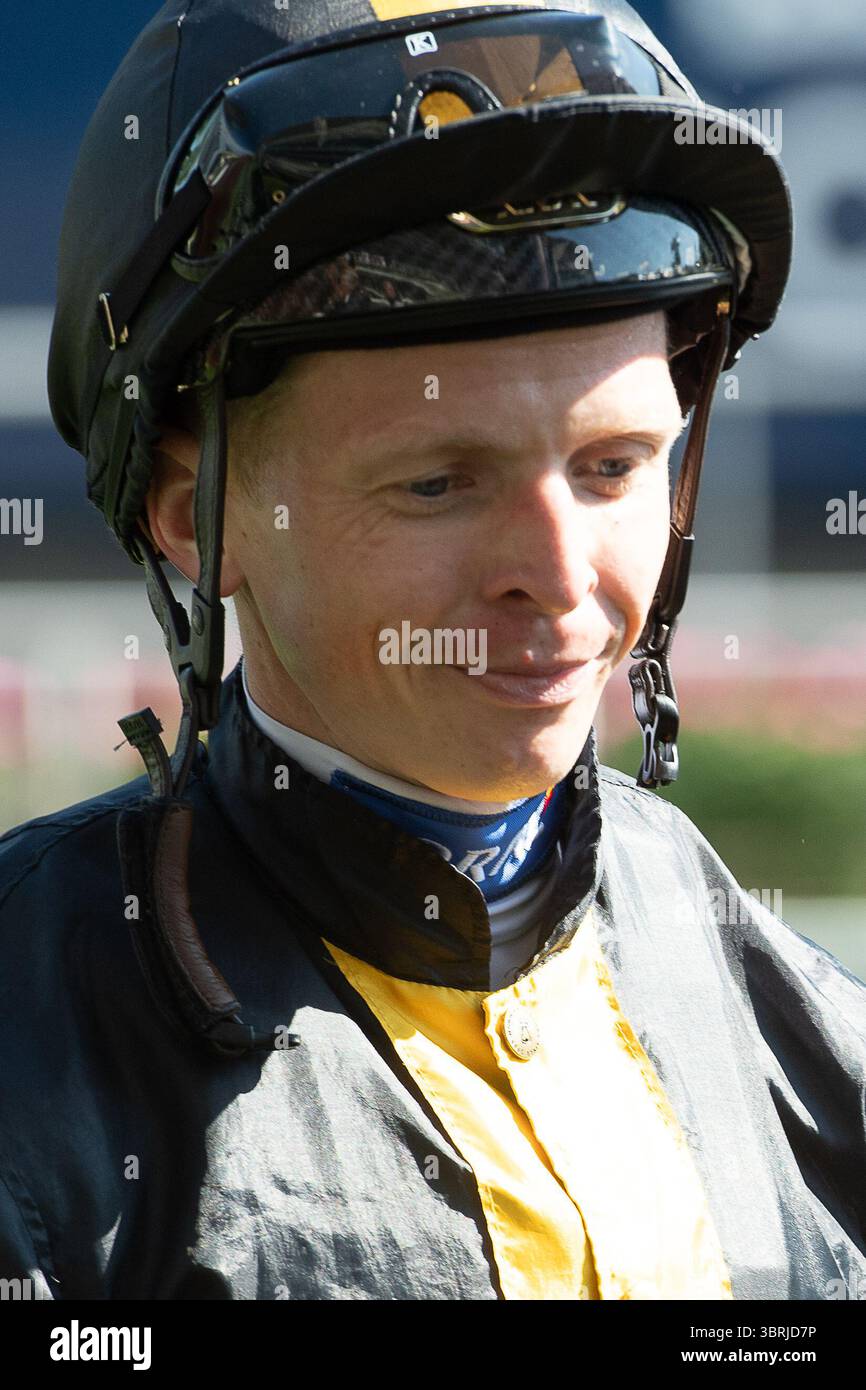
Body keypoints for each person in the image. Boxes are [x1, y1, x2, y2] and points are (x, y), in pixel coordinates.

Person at [1, 0, 863, 1301]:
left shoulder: (796, 1014)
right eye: (437, 483)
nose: (560, 578)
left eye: (613, 465)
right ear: (198, 519)